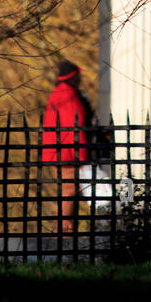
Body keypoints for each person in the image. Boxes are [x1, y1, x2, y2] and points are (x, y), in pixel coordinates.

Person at [41, 60, 90, 234]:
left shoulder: (60, 93)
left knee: (70, 190)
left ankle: (67, 228)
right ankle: (65, 230)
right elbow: (75, 128)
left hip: (60, 152)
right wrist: (82, 156)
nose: (81, 79)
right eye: (78, 76)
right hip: (68, 153)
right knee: (69, 191)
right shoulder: (69, 96)